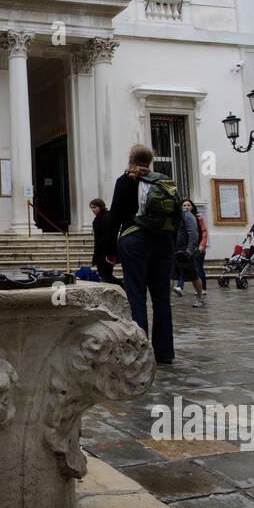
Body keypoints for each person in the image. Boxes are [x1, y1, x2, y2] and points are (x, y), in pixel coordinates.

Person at [105, 144, 176, 364]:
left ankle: (140, 352)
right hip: (163, 242)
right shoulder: (163, 181)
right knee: (162, 299)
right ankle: (165, 353)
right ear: (151, 160)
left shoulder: (125, 181)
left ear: (130, 159)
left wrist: (110, 250)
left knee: (136, 296)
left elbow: (114, 216)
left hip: (134, 240)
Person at [171, 200, 204, 307]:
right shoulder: (173, 217)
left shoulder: (187, 216)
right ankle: (167, 299)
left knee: (194, 276)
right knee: (170, 276)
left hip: (185, 251)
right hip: (174, 251)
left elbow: (193, 232)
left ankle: (200, 298)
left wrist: (190, 249)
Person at [89, 198, 115, 282]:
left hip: (106, 252)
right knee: (103, 275)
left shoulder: (106, 217)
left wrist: (109, 253)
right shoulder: (97, 219)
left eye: (95, 207)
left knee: (107, 276)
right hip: (99, 252)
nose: (93, 210)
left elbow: (109, 235)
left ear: (100, 207)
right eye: (91, 208)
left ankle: (123, 288)